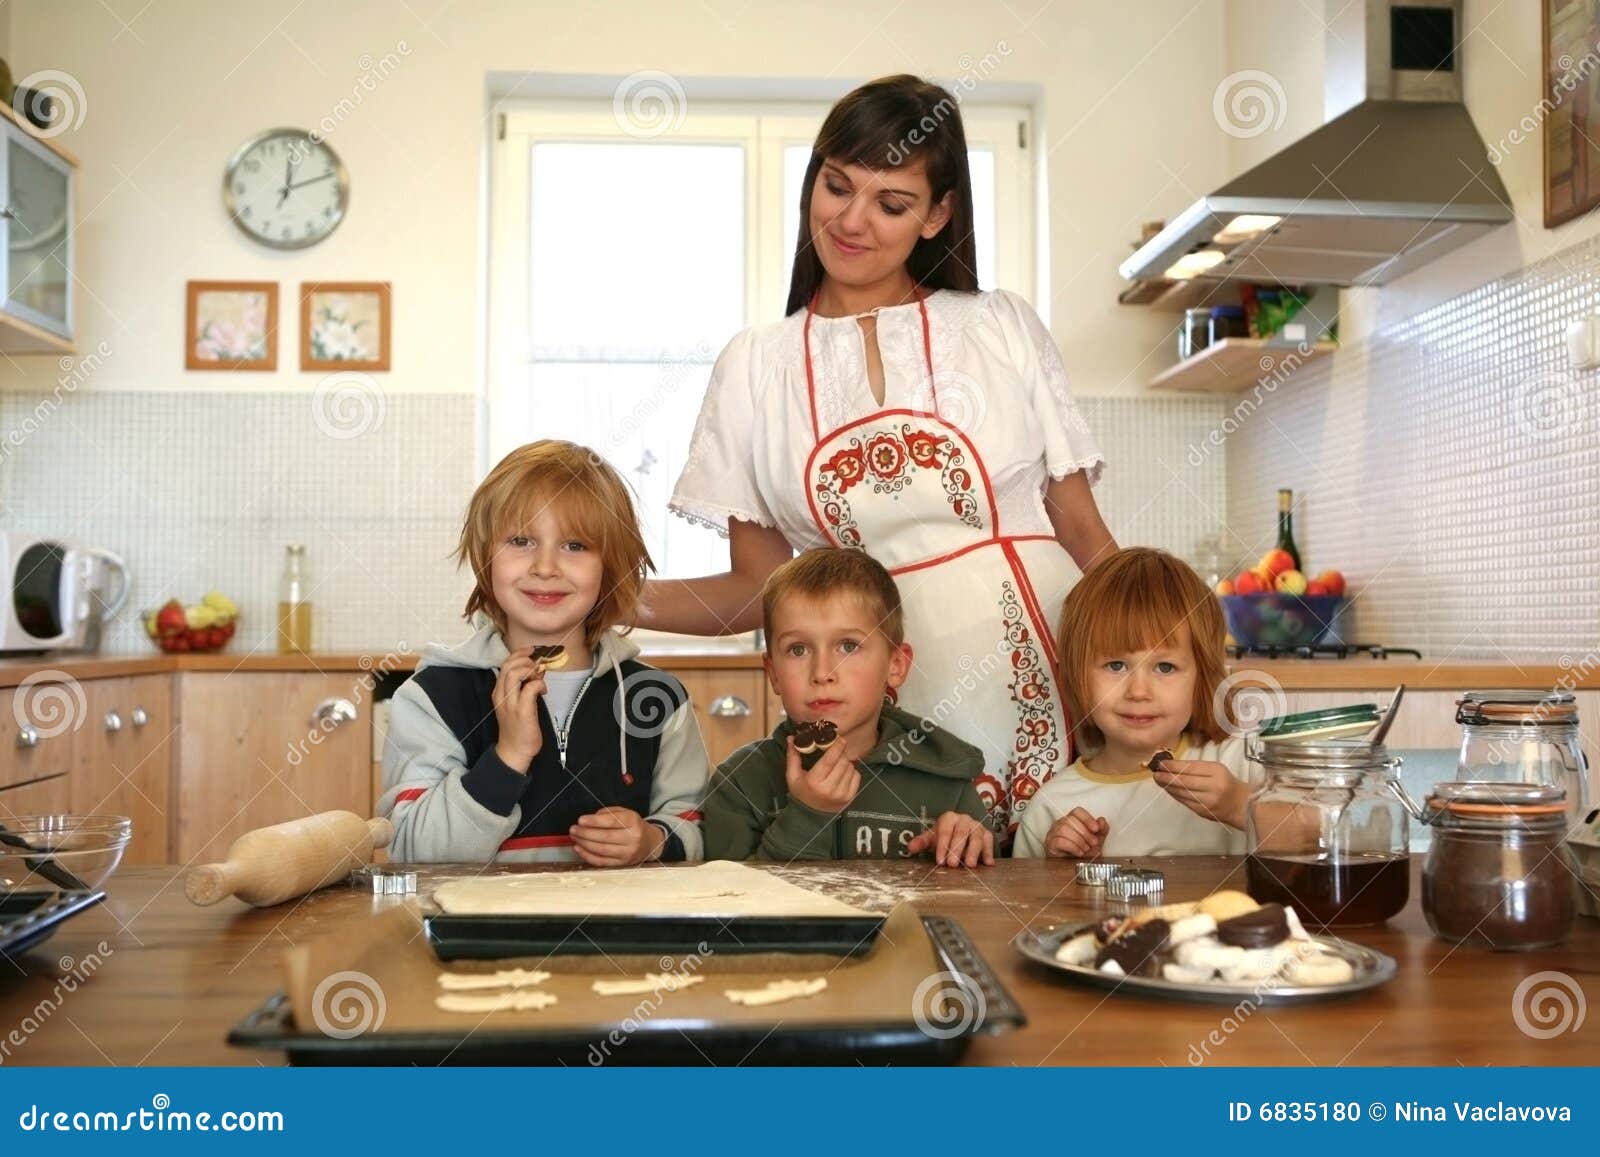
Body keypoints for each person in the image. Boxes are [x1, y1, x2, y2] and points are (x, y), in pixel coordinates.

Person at [647, 74, 1117, 840]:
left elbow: (1082, 528)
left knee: (1057, 883)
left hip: (1055, 657)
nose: (851, 220)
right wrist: (609, 600)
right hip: (884, 700)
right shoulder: (756, 363)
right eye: (836, 187)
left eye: (891, 204)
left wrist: (1170, 640)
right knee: (909, 892)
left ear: (938, 215)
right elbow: (760, 590)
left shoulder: (999, 325)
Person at [378, 440, 709, 864]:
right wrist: (508, 757)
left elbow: (698, 827)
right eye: (521, 540)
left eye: (575, 546)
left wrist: (653, 841)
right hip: (476, 931)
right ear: (485, 558)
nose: (545, 567)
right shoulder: (431, 698)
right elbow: (413, 852)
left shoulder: (658, 697)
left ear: (611, 566)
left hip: (615, 929)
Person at [704, 548, 994, 866]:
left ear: (895, 665)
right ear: (773, 673)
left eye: (848, 646)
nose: (822, 673)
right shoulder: (739, 783)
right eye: (798, 649)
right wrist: (807, 815)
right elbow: (736, 908)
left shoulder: (948, 782)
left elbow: (980, 901)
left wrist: (966, 842)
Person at [1014, 548, 1256, 858]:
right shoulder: (1052, 806)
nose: (1139, 692)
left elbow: (1323, 835)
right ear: (1076, 676)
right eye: (1116, 666)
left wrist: (1240, 804)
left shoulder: (1241, 762)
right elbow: (1030, 905)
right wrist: (1067, 872)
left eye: (1165, 667)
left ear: (1202, 679)